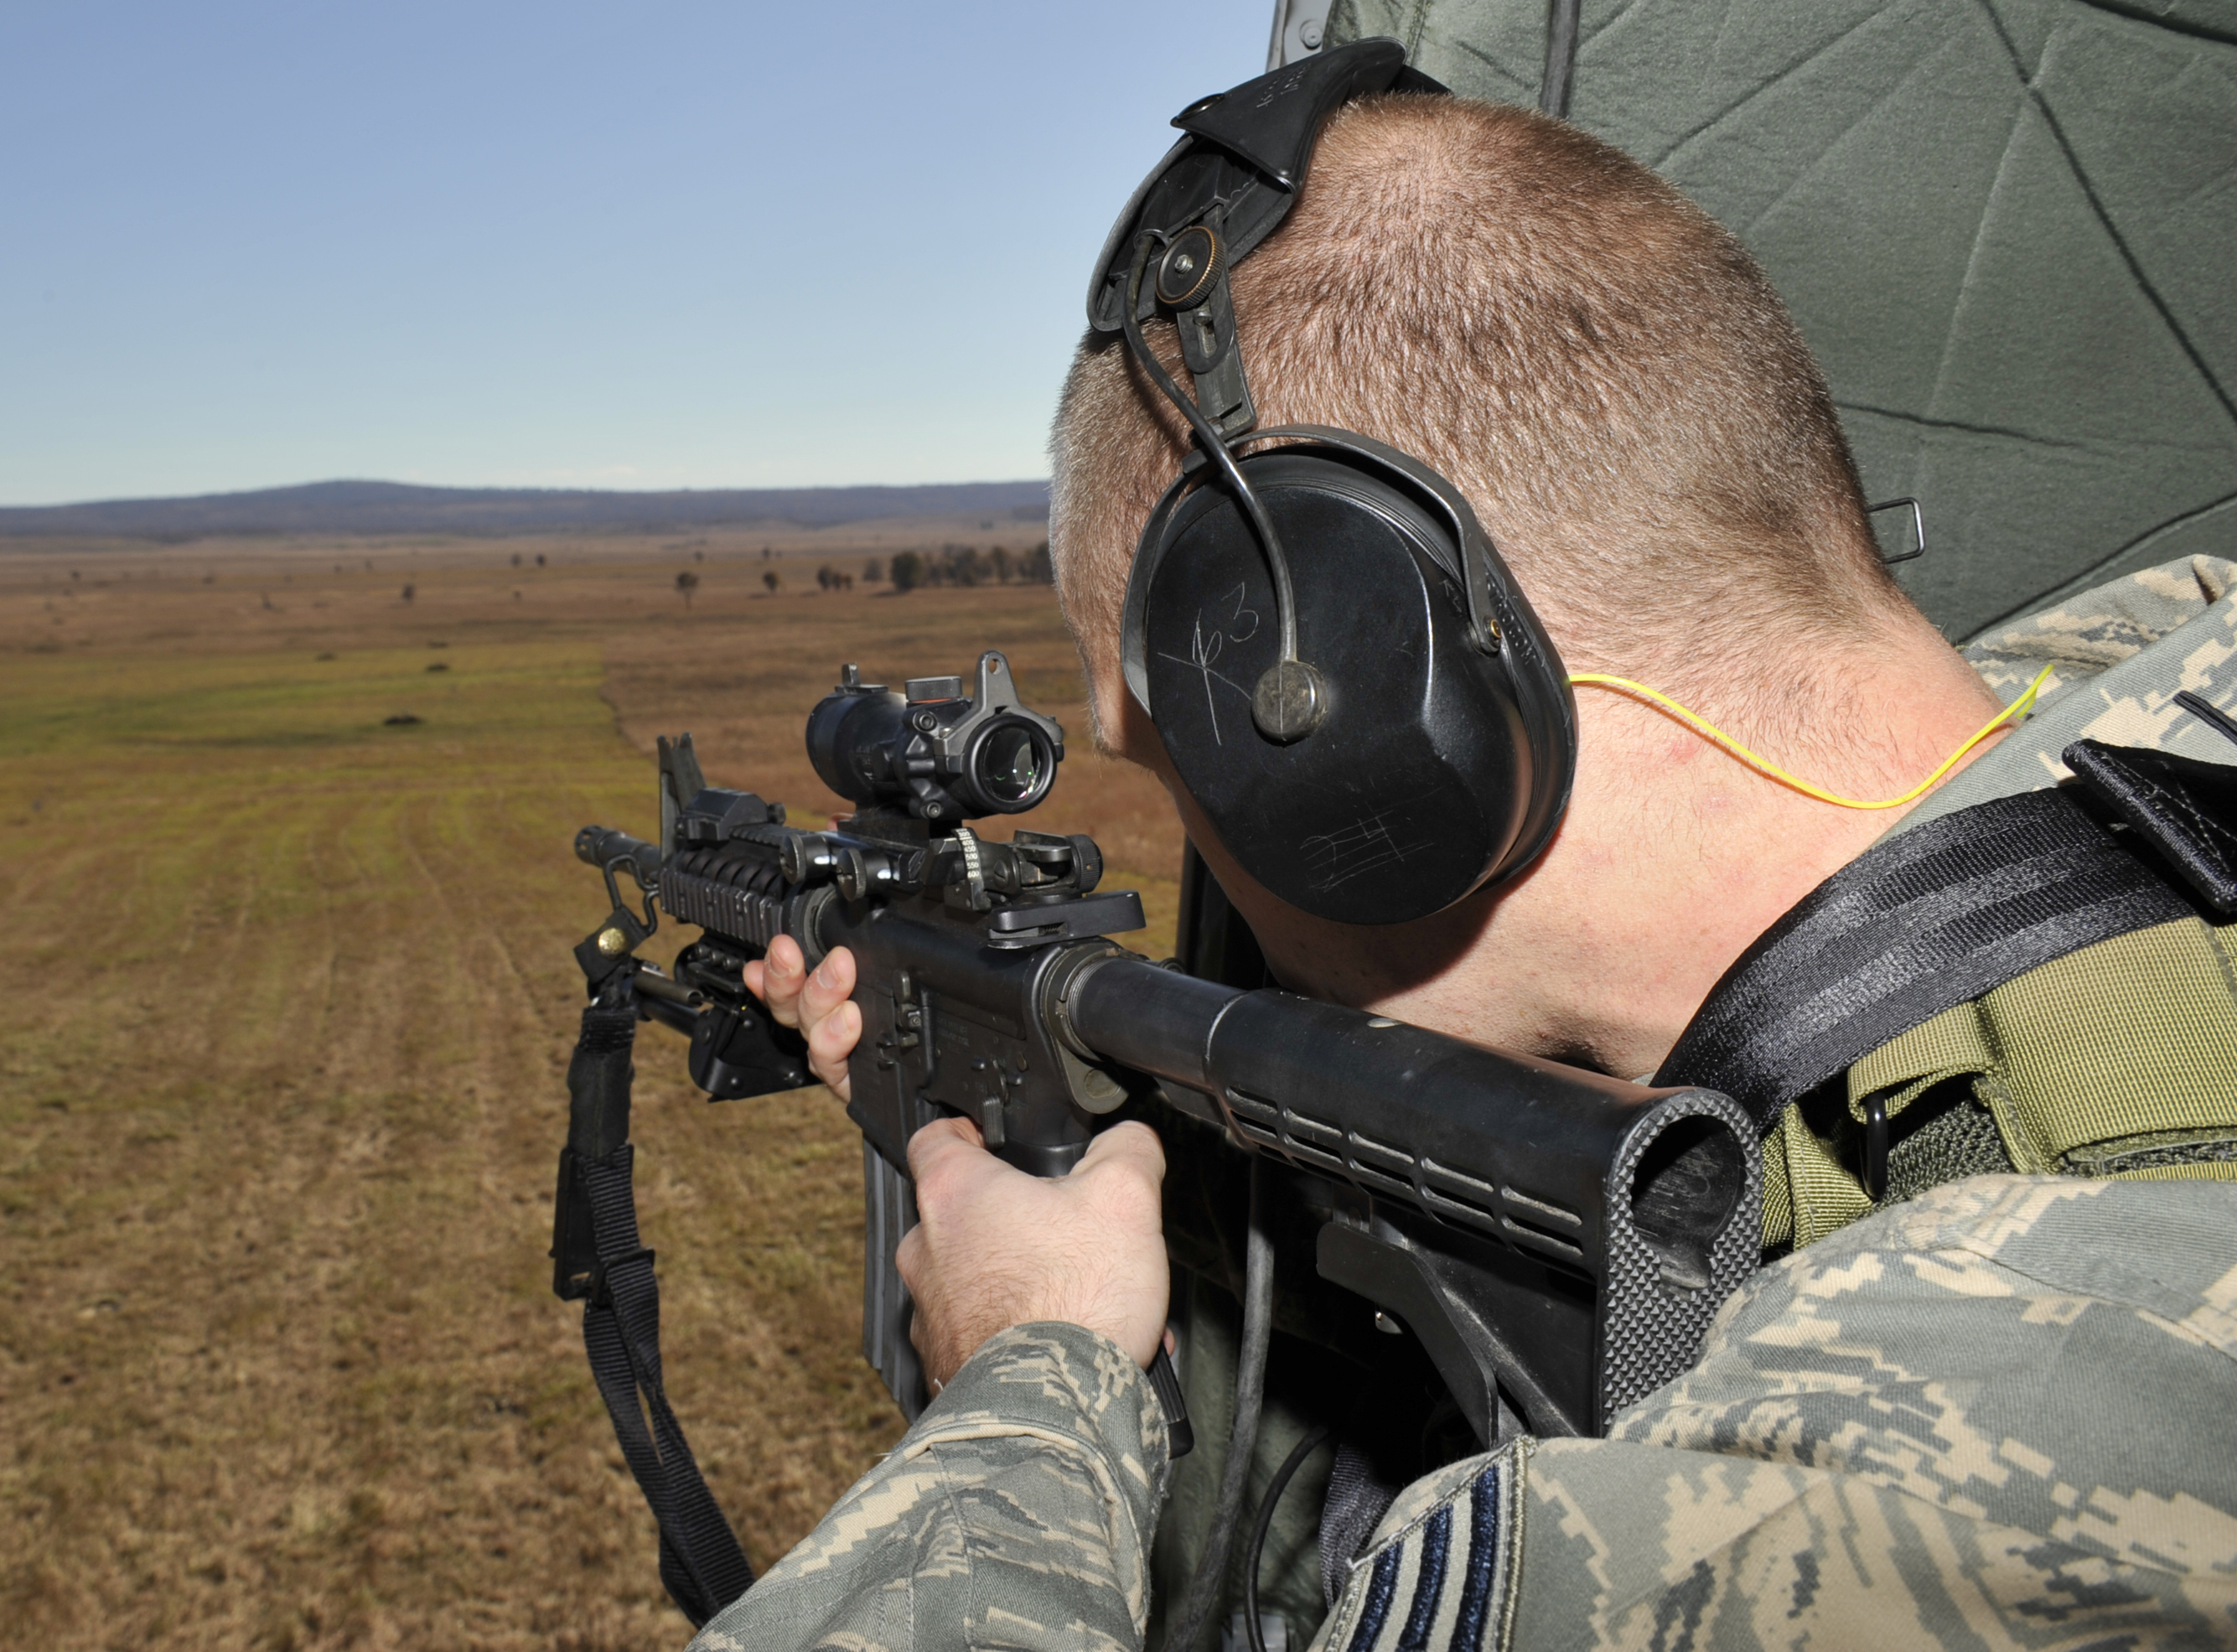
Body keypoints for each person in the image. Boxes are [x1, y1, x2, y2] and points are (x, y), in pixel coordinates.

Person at [691, 91, 2237, 1651]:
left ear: (1345, 728)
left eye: (1177, 767)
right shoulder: (2176, 738)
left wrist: (1031, 1370)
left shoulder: (1867, 1519)